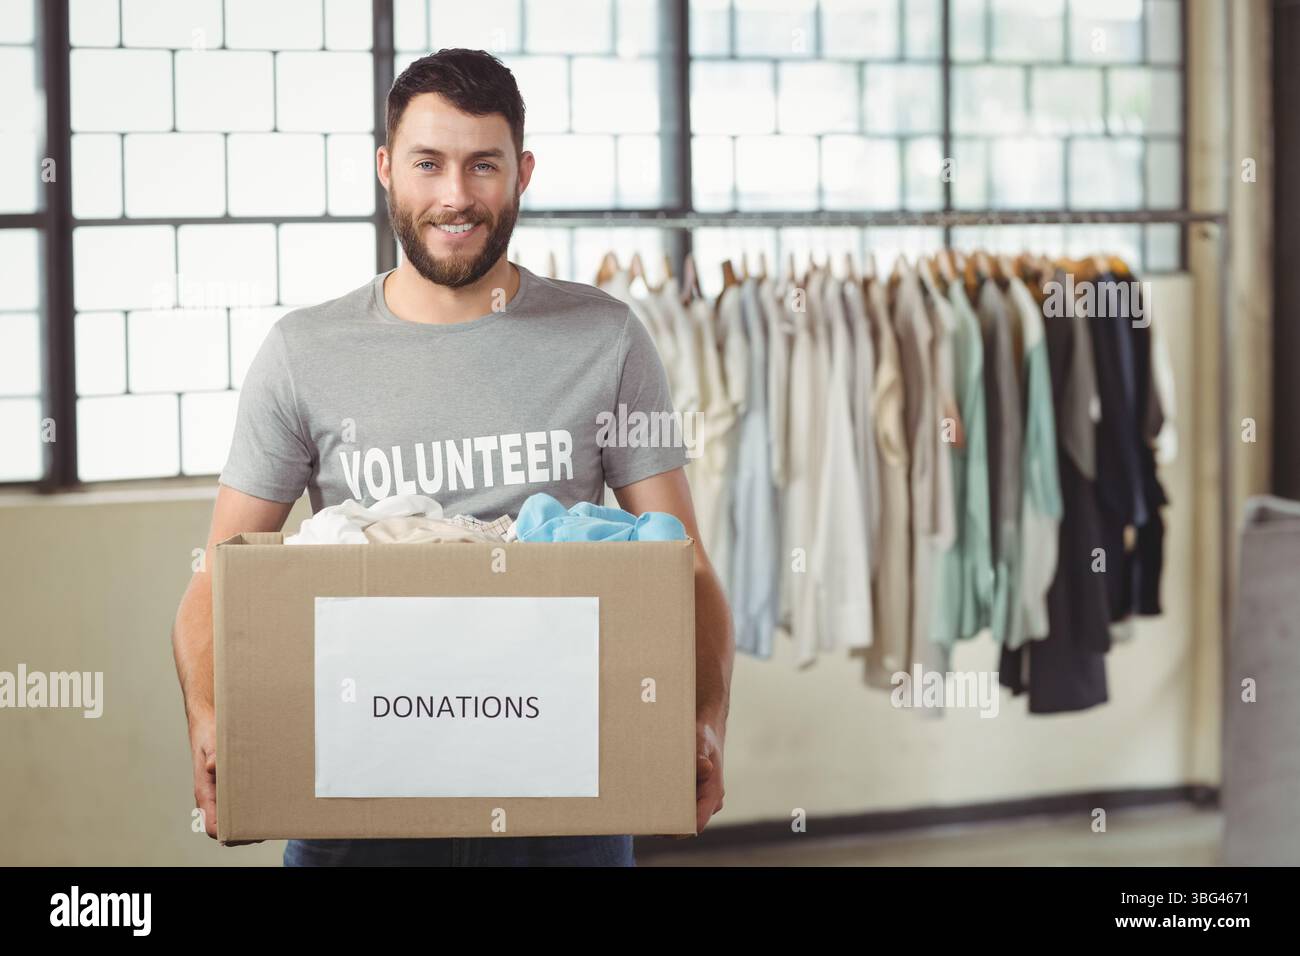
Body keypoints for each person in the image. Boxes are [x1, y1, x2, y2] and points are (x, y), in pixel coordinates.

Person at [170, 48, 734, 867]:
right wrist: (211, 722)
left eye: (484, 166)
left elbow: (685, 568)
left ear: (523, 172)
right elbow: (215, 578)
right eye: (428, 163)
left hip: (565, 806)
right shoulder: (304, 352)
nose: (455, 196)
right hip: (357, 810)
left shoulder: (606, 338)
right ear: (385, 169)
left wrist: (706, 720)